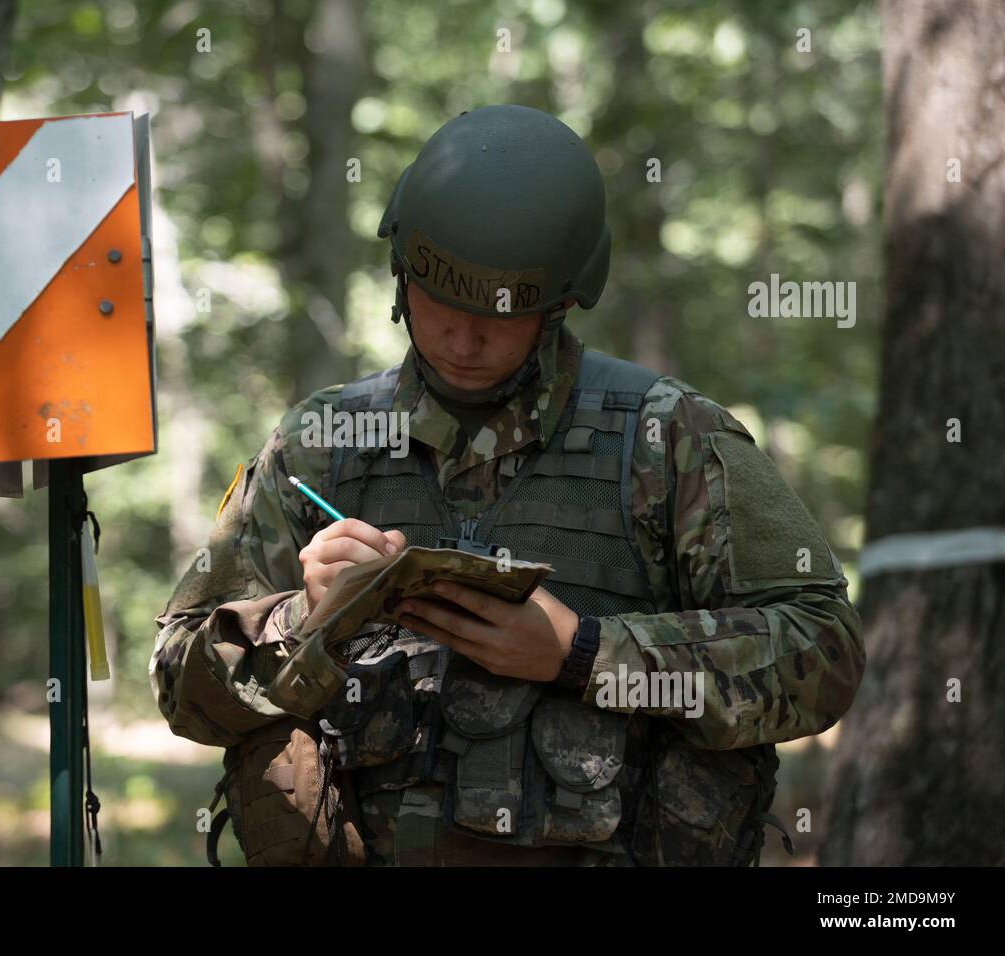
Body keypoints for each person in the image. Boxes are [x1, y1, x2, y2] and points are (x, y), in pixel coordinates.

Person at [150, 104, 865, 866]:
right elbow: (181, 683)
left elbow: (824, 653)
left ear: (559, 302)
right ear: (402, 274)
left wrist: (586, 654)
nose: (462, 337)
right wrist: (307, 617)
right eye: (439, 300)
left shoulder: (668, 438)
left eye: (499, 312)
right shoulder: (320, 444)